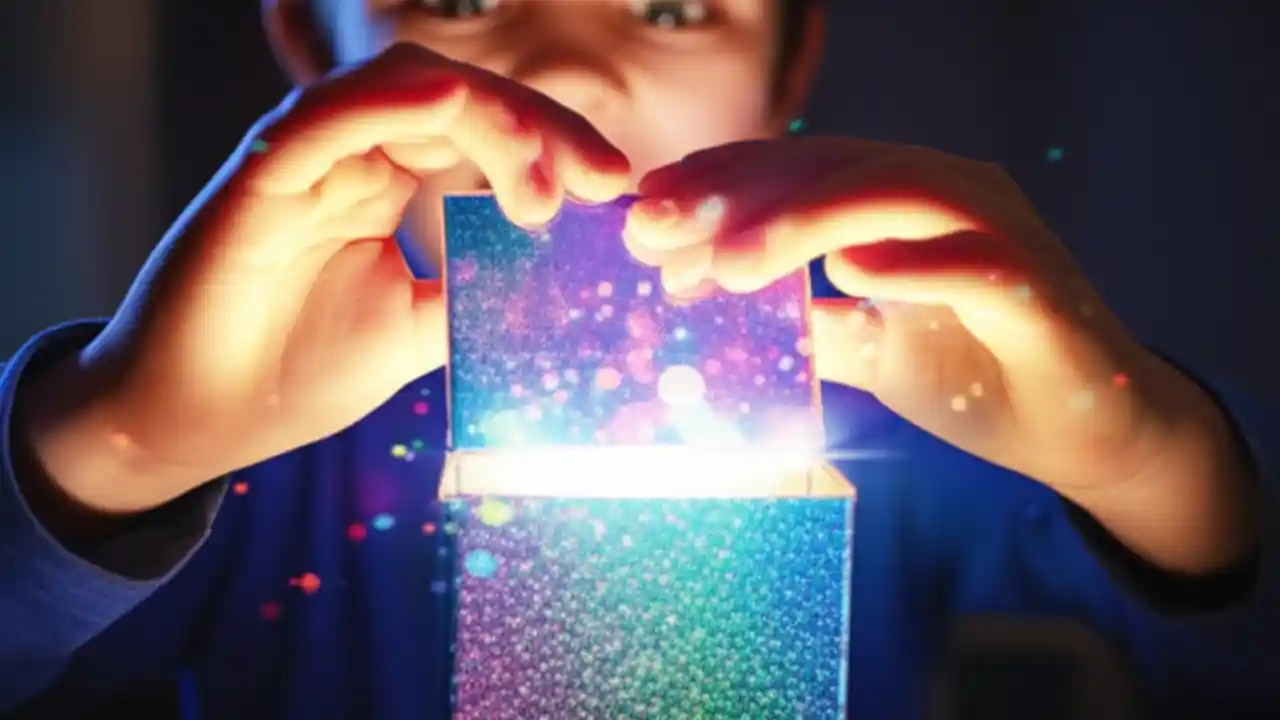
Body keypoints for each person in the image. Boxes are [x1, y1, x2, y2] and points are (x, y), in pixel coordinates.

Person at [1, 0, 1276, 717]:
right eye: (456, 0)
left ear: (791, 65)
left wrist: (1145, 451)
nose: (565, 66)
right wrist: (118, 443)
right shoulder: (243, 463)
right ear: (306, 46)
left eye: (671, 6)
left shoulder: (905, 400)